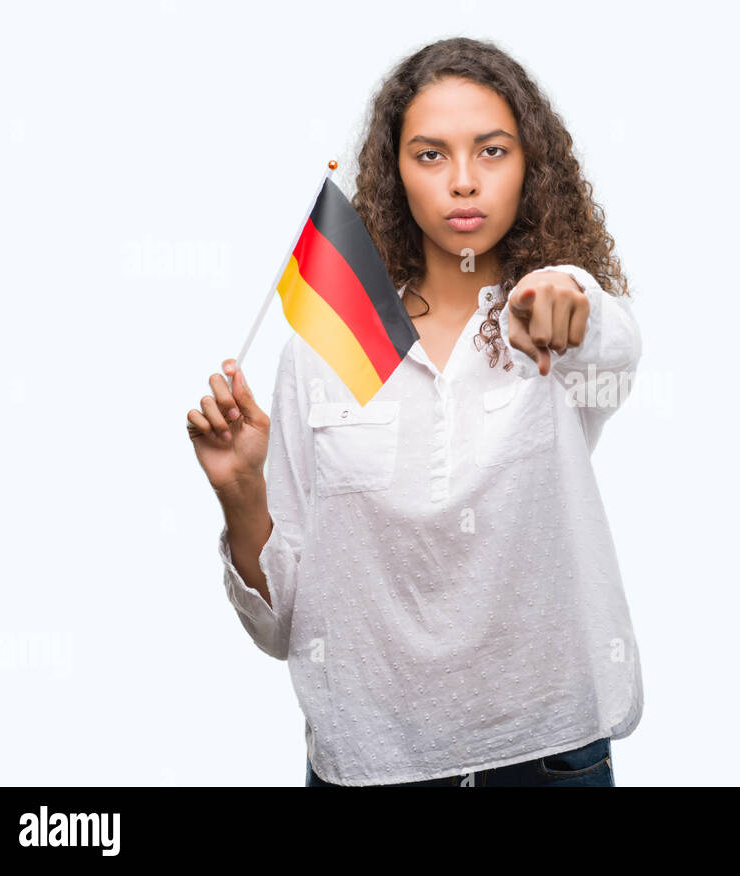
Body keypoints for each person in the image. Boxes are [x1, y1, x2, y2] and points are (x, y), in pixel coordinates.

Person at [185, 37, 642, 786]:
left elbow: (615, 346)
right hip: (370, 760)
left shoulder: (554, 328)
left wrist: (569, 294)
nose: (463, 181)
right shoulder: (328, 346)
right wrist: (241, 493)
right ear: (395, 173)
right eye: (430, 155)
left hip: (550, 749)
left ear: (530, 165)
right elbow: (281, 627)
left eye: (492, 151)